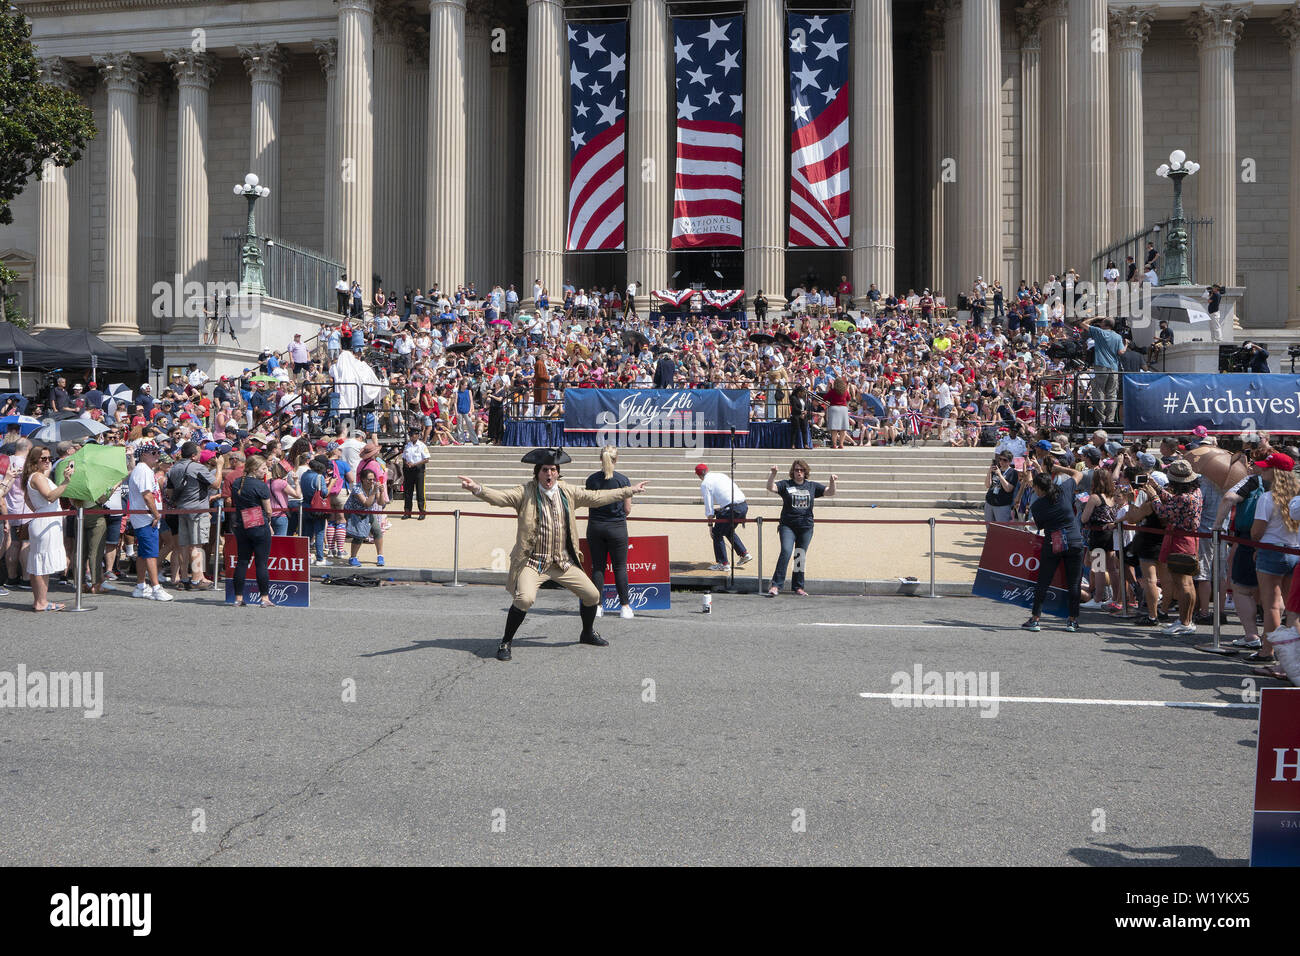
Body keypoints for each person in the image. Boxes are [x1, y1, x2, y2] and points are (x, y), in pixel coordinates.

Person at [458, 447, 648, 662]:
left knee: (593, 596)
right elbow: (500, 498)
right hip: (534, 561)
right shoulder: (525, 492)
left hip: (562, 561)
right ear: (537, 473)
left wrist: (628, 491)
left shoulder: (568, 492)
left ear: (558, 472)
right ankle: (505, 641)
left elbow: (596, 497)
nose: (549, 474)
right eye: (545, 470)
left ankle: (586, 633)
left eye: (553, 470)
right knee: (525, 599)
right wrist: (477, 488)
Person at [1249, 452, 1299, 667]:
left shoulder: (1267, 498)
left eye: (1266, 468)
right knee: (1292, 608)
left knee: (1271, 605)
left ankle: (1268, 650)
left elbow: (1256, 533)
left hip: (1272, 550)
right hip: (1295, 551)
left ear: (1275, 472)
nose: (1262, 470)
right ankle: (1291, 654)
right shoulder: (1296, 497)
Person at [1020, 466, 1085, 633]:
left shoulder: (1038, 505)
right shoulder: (1064, 489)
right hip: (1074, 540)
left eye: (1035, 487)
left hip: (1055, 541)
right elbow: (1079, 473)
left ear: (1039, 488)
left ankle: (1035, 619)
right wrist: (1060, 468)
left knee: (1043, 581)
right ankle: (1072, 620)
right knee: (1074, 583)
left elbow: (1041, 526)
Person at [765, 460, 836, 596]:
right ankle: (776, 585)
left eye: (802, 470)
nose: (799, 472)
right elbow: (771, 487)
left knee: (799, 555)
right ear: (793, 471)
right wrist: (773, 474)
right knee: (786, 551)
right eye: (797, 470)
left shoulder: (811, 486)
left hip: (805, 526)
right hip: (788, 525)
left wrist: (832, 481)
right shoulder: (786, 484)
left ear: (805, 472)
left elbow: (830, 492)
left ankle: (798, 587)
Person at [584, 445, 634, 619]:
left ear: (600, 459)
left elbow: (589, 502)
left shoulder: (591, 480)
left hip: (596, 525)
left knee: (598, 567)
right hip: (617, 526)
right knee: (620, 567)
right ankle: (625, 606)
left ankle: (597, 606)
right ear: (616, 459)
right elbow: (627, 509)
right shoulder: (623, 480)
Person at [23, 448, 74, 611]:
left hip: (44, 518)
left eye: (49, 457)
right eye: (43, 458)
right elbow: (50, 496)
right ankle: (41, 601)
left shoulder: (38, 476)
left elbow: (28, 498)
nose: (47, 460)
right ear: (34, 460)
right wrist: (66, 481)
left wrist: (38, 509)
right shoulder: (37, 477)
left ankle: (40, 600)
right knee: (41, 563)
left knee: (40, 561)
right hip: (45, 521)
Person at [165, 441, 220, 590]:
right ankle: (196, 579)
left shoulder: (173, 468)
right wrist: (219, 467)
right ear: (194, 456)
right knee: (197, 545)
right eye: (199, 453)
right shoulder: (197, 467)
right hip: (198, 510)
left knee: (184, 545)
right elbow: (216, 484)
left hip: (181, 509)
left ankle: (185, 577)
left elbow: (169, 494)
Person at [126, 443, 174, 601]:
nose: (157, 456)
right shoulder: (143, 470)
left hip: (145, 517)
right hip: (146, 517)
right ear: (144, 455)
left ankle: (140, 585)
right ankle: (155, 587)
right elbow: (147, 495)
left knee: (143, 553)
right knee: (151, 554)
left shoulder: (145, 470)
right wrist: (156, 514)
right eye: (154, 453)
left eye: (157, 453)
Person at [230, 453, 275, 607]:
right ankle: (264, 598)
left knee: (242, 561)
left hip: (242, 523)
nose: (265, 470)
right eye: (263, 468)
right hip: (258, 523)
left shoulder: (237, 483)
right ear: (255, 469)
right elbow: (268, 510)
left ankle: (238, 597)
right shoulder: (261, 485)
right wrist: (268, 521)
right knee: (261, 563)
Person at [695, 462, 752, 571]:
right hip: (743, 506)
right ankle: (744, 554)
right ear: (707, 470)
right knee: (728, 530)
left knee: (717, 533)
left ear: (699, 475)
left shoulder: (705, 483)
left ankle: (723, 563)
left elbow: (709, 507)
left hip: (732, 508)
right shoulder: (720, 475)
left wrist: (710, 526)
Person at [345, 465, 387, 567]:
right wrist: (374, 492)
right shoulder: (357, 489)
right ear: (363, 479)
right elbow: (366, 503)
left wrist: (381, 492)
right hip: (354, 513)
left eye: (373, 479)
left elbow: (381, 503)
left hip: (367, 512)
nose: (372, 481)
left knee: (377, 531)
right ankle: (353, 557)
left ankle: (380, 556)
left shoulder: (373, 487)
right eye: (369, 479)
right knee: (359, 535)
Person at [401, 433, 431, 518]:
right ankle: (407, 512)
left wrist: (414, 464)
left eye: (413, 435)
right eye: (410, 435)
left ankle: (422, 512)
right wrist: (406, 463)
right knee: (407, 492)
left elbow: (426, 459)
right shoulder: (407, 445)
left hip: (418, 470)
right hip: (408, 470)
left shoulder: (421, 445)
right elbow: (403, 457)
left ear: (417, 436)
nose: (411, 437)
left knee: (420, 492)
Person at [984, 450, 1018, 522]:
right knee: (989, 528)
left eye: (1005, 460)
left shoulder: (1012, 472)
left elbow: (1008, 489)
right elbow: (987, 485)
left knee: (1001, 529)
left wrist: (1000, 475)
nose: (1001, 462)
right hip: (990, 502)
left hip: (1002, 505)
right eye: (1000, 459)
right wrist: (989, 472)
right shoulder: (996, 470)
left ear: (1009, 461)